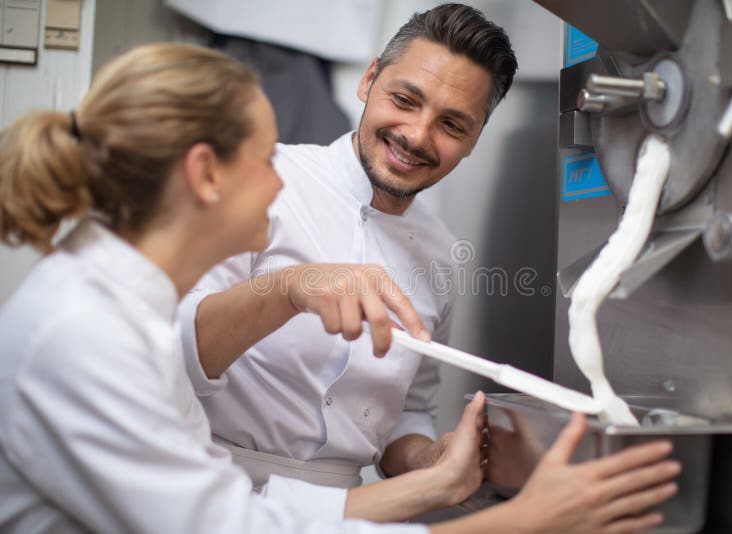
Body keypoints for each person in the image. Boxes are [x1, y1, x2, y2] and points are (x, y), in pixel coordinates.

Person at [0, 41, 681, 534]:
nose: (278, 181)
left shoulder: (113, 315)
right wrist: (523, 525)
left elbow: (267, 518)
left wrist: (431, 475)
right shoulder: (85, 335)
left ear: (475, 139)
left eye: (452, 123)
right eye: (266, 158)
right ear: (206, 174)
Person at [178, 2, 517, 497]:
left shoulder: (444, 257)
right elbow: (175, 348)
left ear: (474, 139)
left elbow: (407, 413)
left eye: (452, 125)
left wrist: (426, 456)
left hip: (347, 508)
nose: (416, 136)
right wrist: (291, 287)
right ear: (369, 81)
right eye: (405, 100)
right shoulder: (265, 179)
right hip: (204, 484)